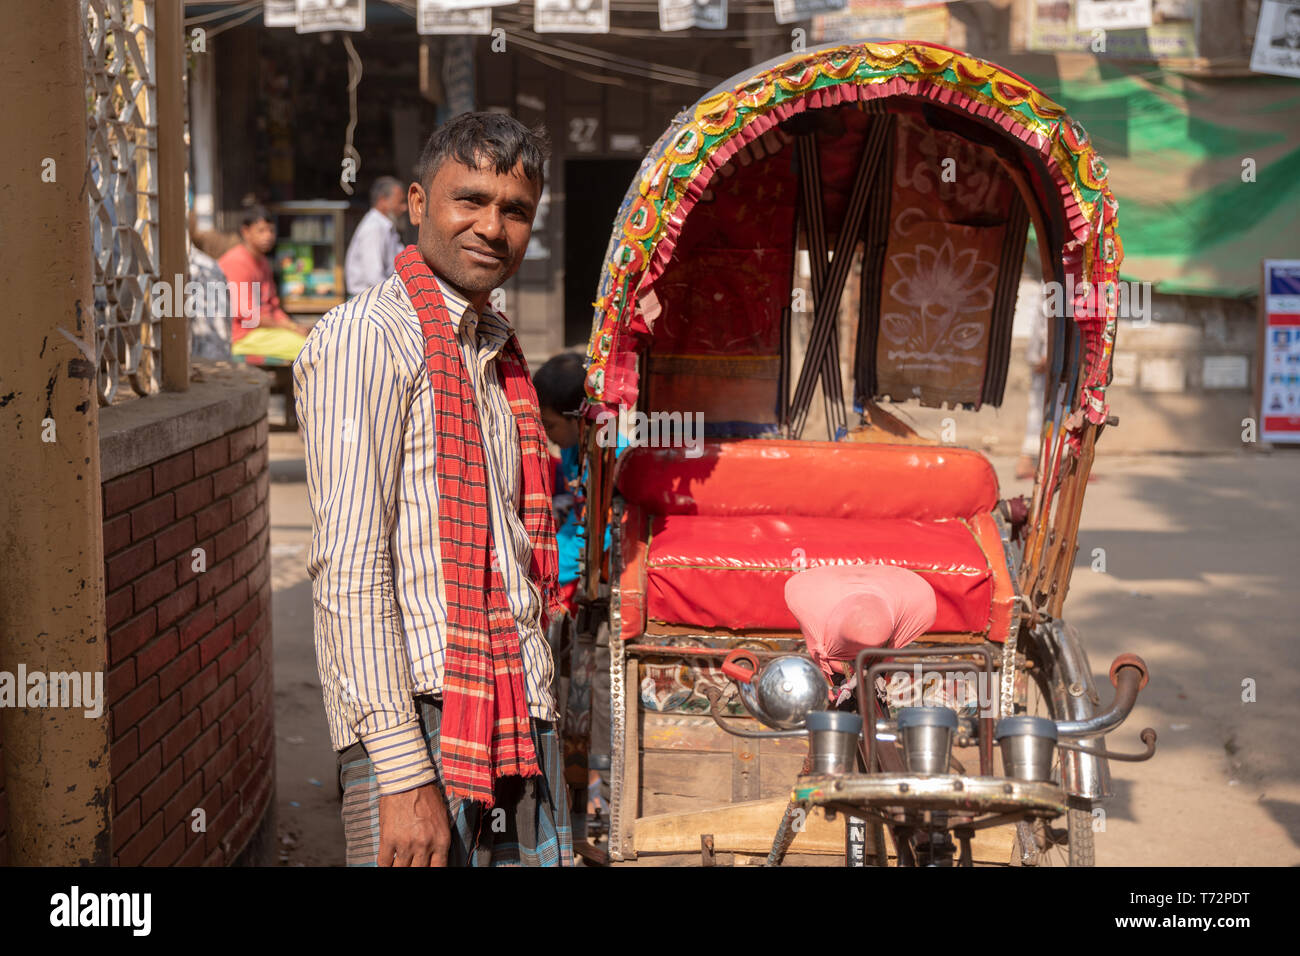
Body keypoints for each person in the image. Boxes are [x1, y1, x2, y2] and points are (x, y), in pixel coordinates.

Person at [293, 112, 571, 867]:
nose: (491, 227)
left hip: (511, 706)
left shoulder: (491, 349)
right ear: (418, 203)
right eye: (469, 201)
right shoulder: (368, 339)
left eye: (514, 211)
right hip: (420, 726)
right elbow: (349, 571)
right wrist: (403, 775)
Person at [218, 204, 308, 363]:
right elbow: (248, 316)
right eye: (261, 230)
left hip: (264, 332)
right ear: (246, 232)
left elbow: (273, 306)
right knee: (309, 348)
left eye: (271, 230)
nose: (268, 236)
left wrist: (293, 326)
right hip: (242, 336)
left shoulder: (263, 261)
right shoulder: (236, 262)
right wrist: (289, 327)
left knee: (314, 340)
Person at [344, 176, 409, 295]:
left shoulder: (387, 227)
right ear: (383, 201)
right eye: (400, 202)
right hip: (368, 301)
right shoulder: (374, 228)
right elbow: (374, 278)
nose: (404, 208)